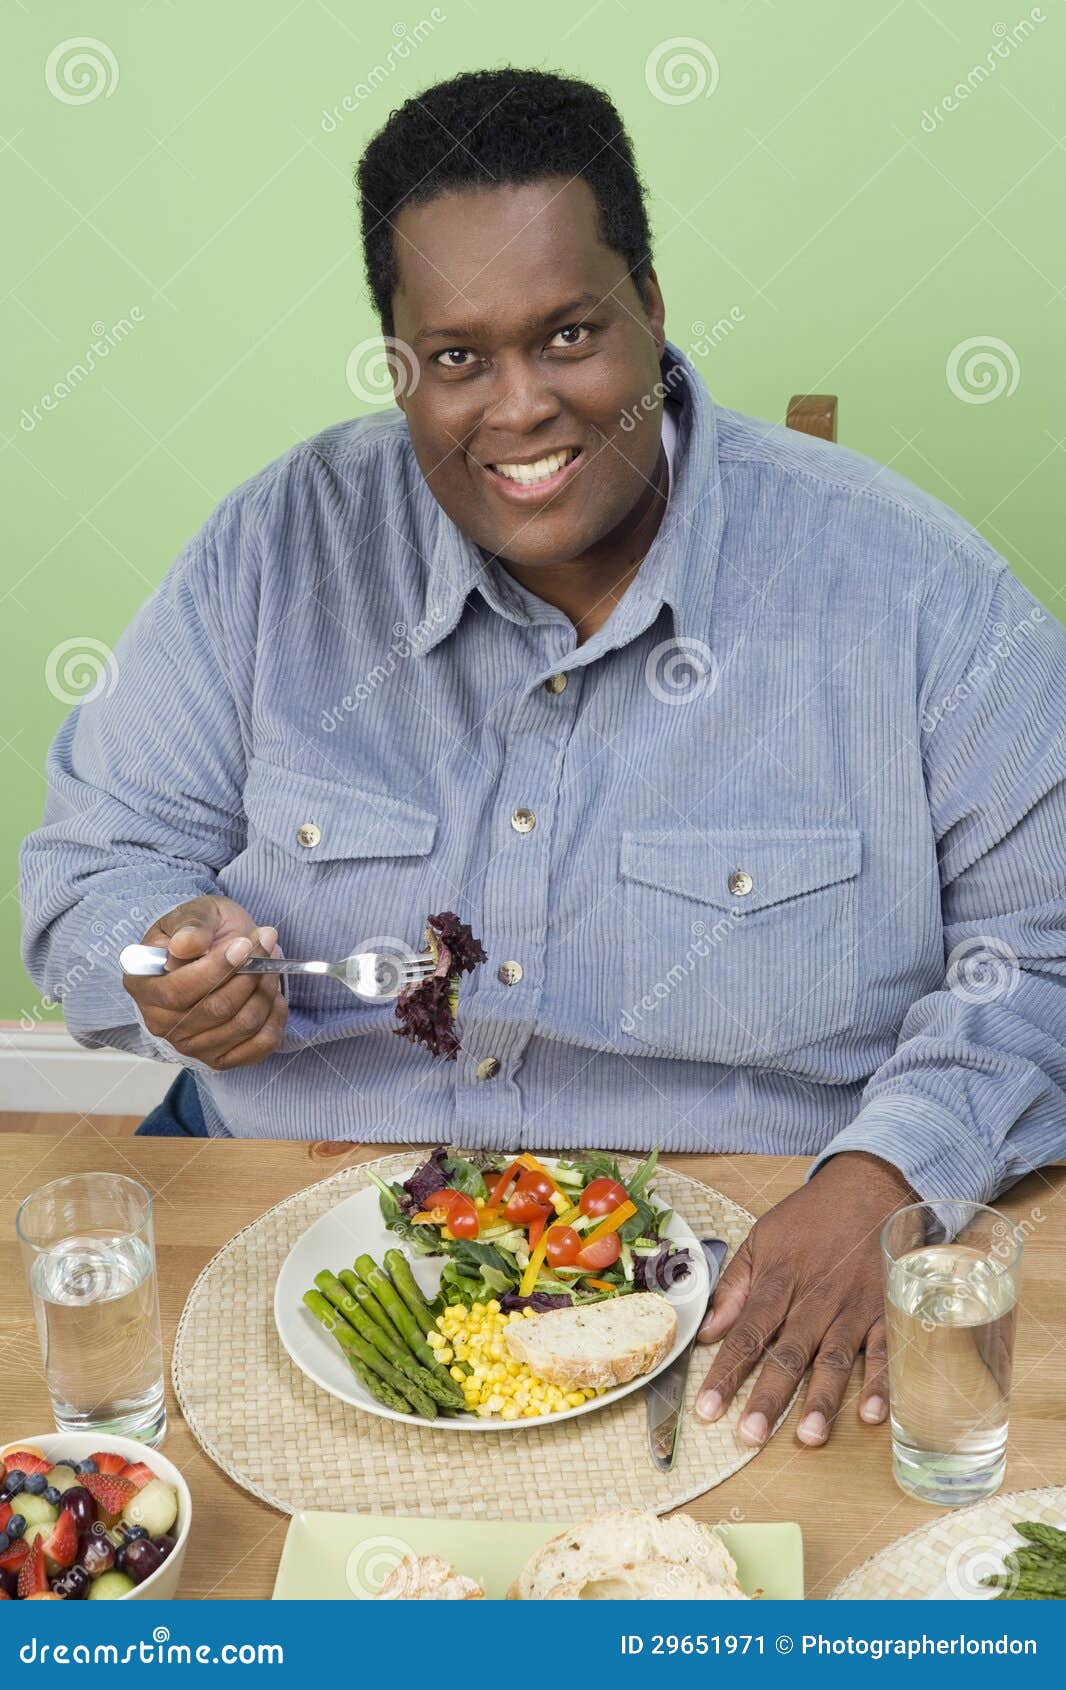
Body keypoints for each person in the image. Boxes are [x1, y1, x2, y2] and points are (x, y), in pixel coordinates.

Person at [20, 69, 1066, 1450]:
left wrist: (883, 1173)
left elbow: (1039, 950)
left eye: (568, 334)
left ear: (650, 306)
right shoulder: (274, 552)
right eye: (455, 358)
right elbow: (88, 873)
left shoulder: (915, 590)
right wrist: (156, 962)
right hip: (294, 1216)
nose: (519, 409)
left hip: (760, 1244)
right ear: (397, 359)